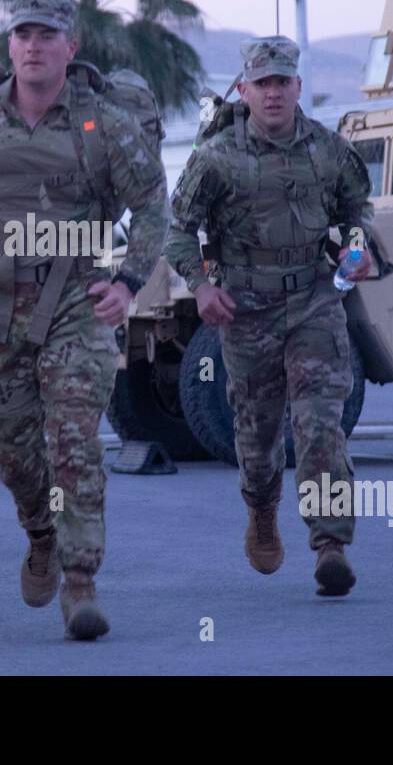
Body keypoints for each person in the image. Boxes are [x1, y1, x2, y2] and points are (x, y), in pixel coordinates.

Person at [0, 0, 169, 640]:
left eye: (46, 35)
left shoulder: (102, 124)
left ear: (69, 47)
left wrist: (128, 281)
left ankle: (80, 583)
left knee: (74, 443)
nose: (32, 46)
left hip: (78, 304)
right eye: (22, 34)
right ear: (10, 46)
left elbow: (152, 201)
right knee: (15, 454)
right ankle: (40, 533)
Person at [164, 36, 374, 596]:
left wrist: (356, 247)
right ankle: (261, 509)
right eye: (263, 84)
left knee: (320, 425)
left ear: (298, 87)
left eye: (283, 82)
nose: (274, 93)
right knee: (258, 439)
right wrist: (202, 287)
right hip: (245, 307)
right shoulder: (215, 158)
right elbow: (179, 232)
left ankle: (330, 544)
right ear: (245, 91)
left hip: (313, 300)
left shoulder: (328, 150)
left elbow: (357, 210)